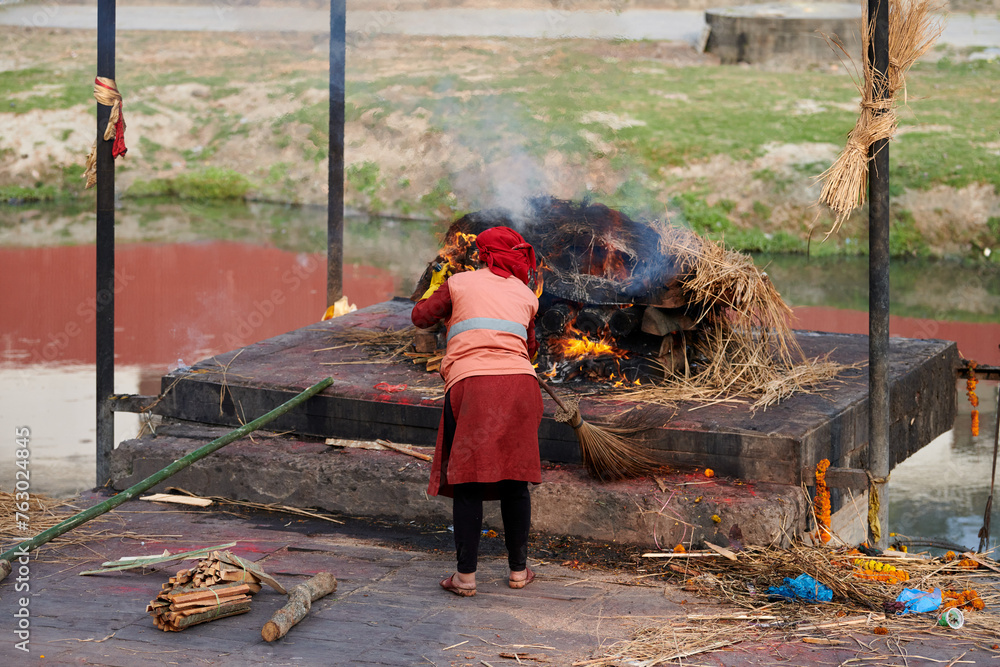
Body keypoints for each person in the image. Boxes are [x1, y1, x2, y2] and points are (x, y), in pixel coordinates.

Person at [410, 225, 542, 597]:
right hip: (521, 386)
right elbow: (529, 349)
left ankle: (466, 578)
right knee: (516, 482)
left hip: (472, 387)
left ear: (483, 254)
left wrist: (440, 287)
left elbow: (420, 317)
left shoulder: (459, 282)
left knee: (468, 480)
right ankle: (518, 572)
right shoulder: (526, 294)